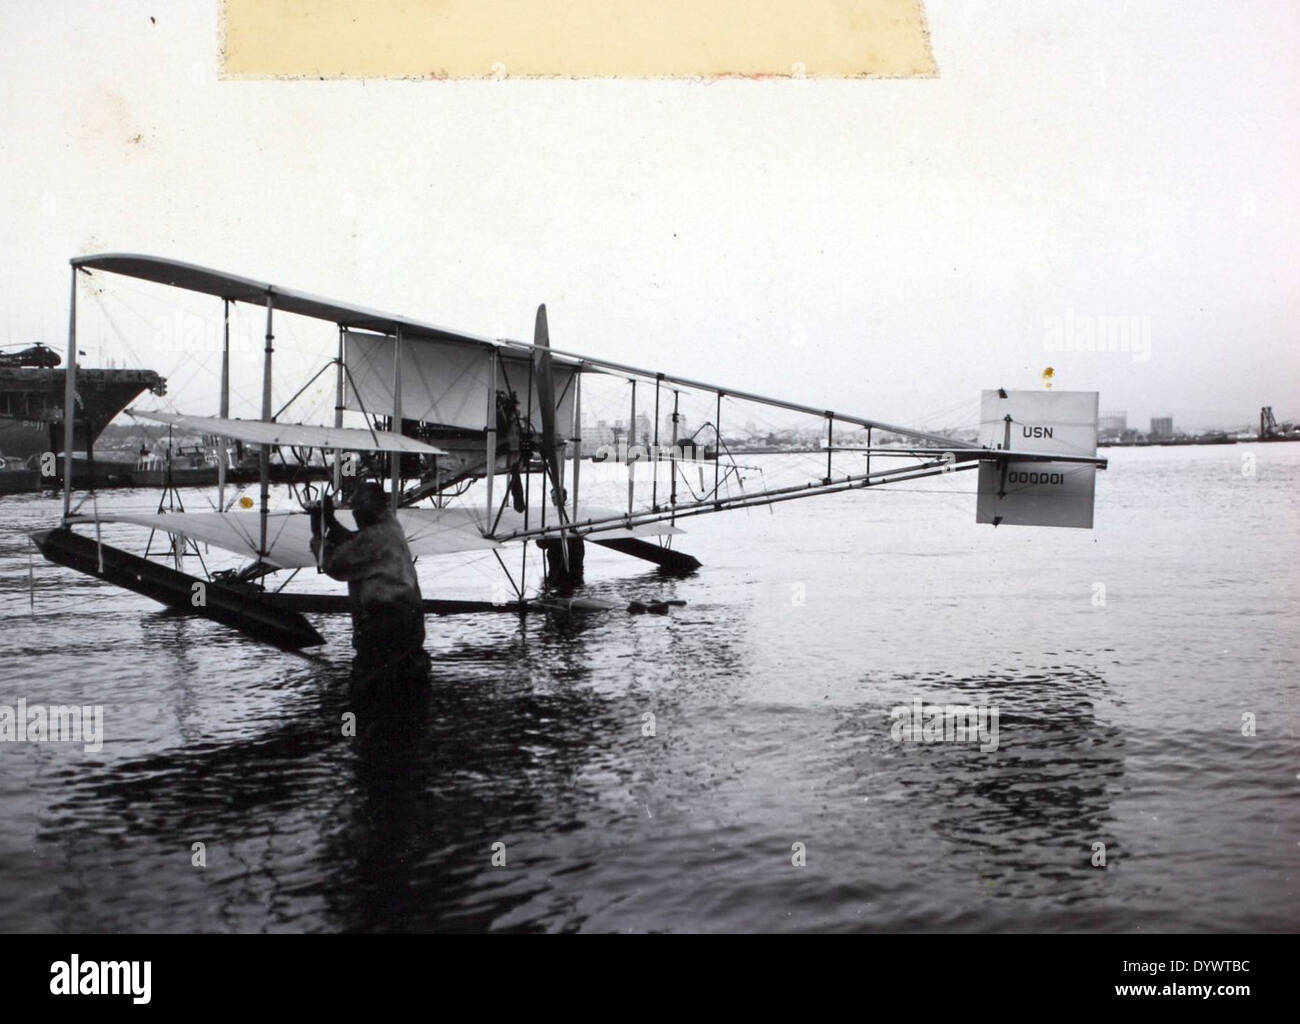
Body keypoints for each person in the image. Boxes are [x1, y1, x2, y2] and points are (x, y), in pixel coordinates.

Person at [309, 482, 429, 692]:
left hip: (384, 620)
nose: (355, 514)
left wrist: (317, 537)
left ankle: (366, 719)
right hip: (410, 616)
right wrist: (330, 521)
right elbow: (356, 543)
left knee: (370, 682)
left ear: (366, 511)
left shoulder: (374, 538)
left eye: (357, 509)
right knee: (408, 677)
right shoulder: (390, 526)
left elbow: (334, 564)